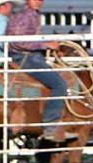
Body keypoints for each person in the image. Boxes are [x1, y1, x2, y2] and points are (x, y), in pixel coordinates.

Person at [6, 0, 69, 143]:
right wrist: (45, 45)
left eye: (40, 0)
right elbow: (18, 42)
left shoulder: (29, 14)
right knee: (59, 85)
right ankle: (50, 125)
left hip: (30, 56)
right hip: (26, 57)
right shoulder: (25, 15)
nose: (38, 2)